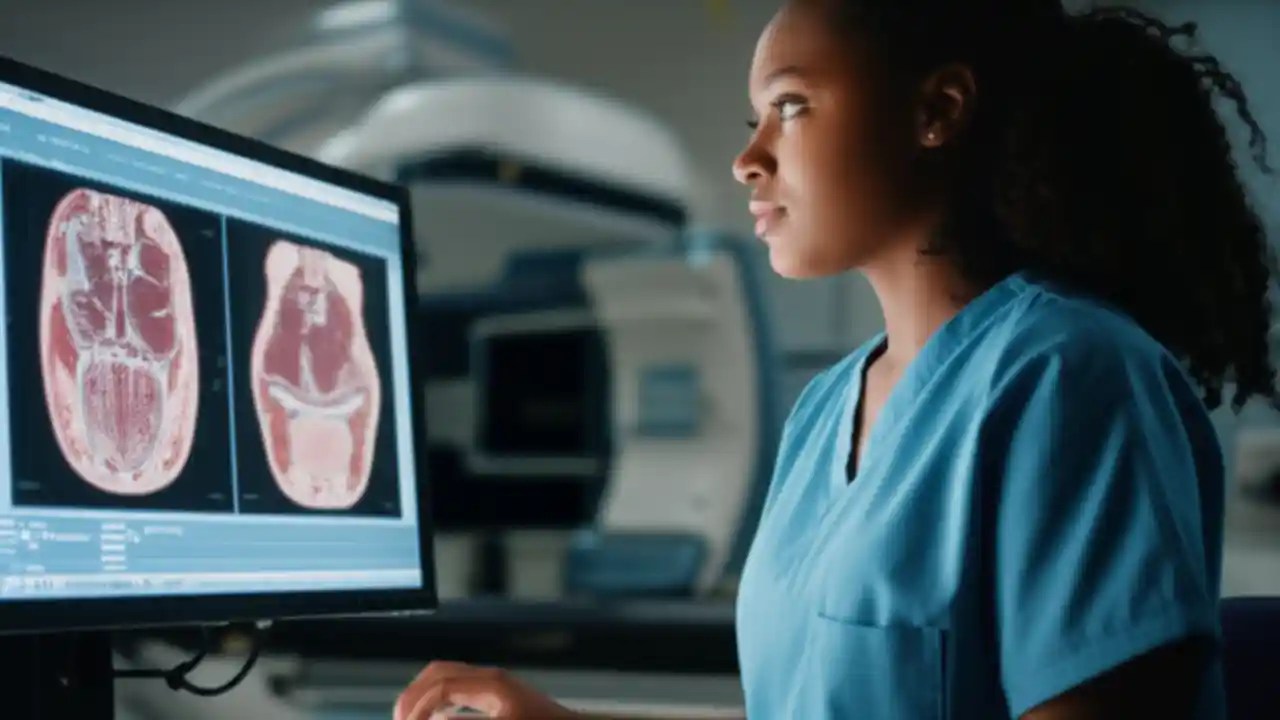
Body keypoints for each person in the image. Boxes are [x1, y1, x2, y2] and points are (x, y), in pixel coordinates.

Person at [394, 0, 1276, 717]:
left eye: (790, 106)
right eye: (753, 120)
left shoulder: (1071, 375)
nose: (748, 159)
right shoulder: (824, 410)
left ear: (936, 112)